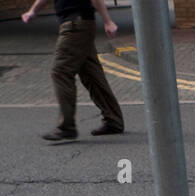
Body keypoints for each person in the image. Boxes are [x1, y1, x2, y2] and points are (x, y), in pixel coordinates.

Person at [22, 0, 124, 142]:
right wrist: (33, 11)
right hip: (78, 24)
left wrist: (108, 21)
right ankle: (114, 120)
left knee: (60, 71)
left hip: (75, 25)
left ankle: (66, 127)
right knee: (91, 74)